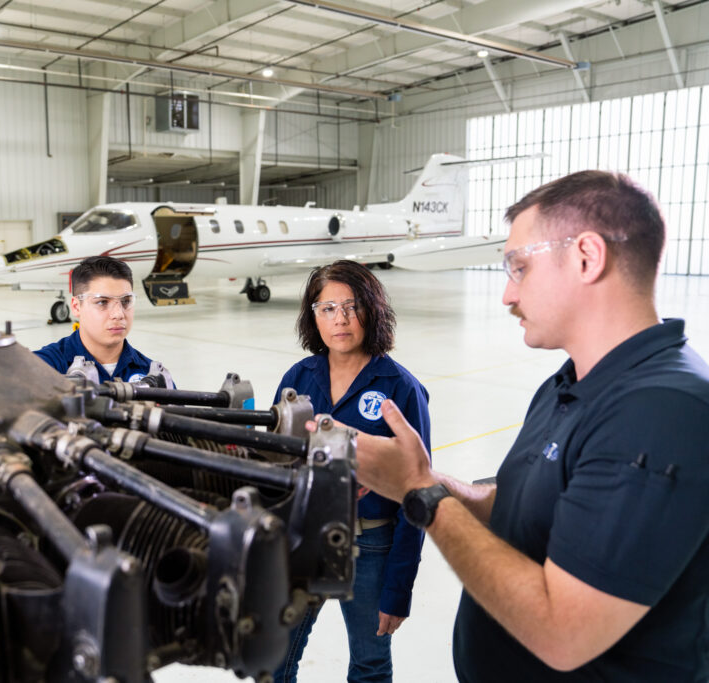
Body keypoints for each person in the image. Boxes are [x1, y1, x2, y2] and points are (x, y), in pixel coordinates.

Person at [345, 171, 709, 681]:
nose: (507, 295)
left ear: (587, 257)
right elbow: (519, 509)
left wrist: (419, 492)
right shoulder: (570, 382)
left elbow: (564, 634)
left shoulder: (662, 410)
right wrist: (414, 476)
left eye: (519, 267)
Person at [273, 260, 431, 683]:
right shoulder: (298, 377)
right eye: (327, 308)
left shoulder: (400, 387)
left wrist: (399, 589)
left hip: (371, 544)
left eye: (351, 306)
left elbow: (418, 493)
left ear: (373, 310)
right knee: (275, 658)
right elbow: (277, 463)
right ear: (313, 316)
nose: (340, 319)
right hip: (304, 537)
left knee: (370, 663)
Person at [34, 256, 174, 386]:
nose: (118, 314)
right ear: (76, 307)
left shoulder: (151, 374)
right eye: (102, 302)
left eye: (126, 301)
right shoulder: (45, 367)